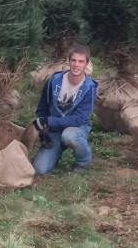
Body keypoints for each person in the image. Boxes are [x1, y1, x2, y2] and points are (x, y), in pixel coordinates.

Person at [31, 44, 98, 175]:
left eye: (81, 61)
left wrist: (48, 122)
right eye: (73, 60)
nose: (76, 65)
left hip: (77, 127)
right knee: (39, 169)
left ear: (87, 64)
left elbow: (78, 119)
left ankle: (83, 161)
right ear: (68, 61)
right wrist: (43, 132)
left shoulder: (90, 88)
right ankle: (57, 150)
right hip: (55, 129)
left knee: (69, 135)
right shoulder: (53, 81)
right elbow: (43, 107)